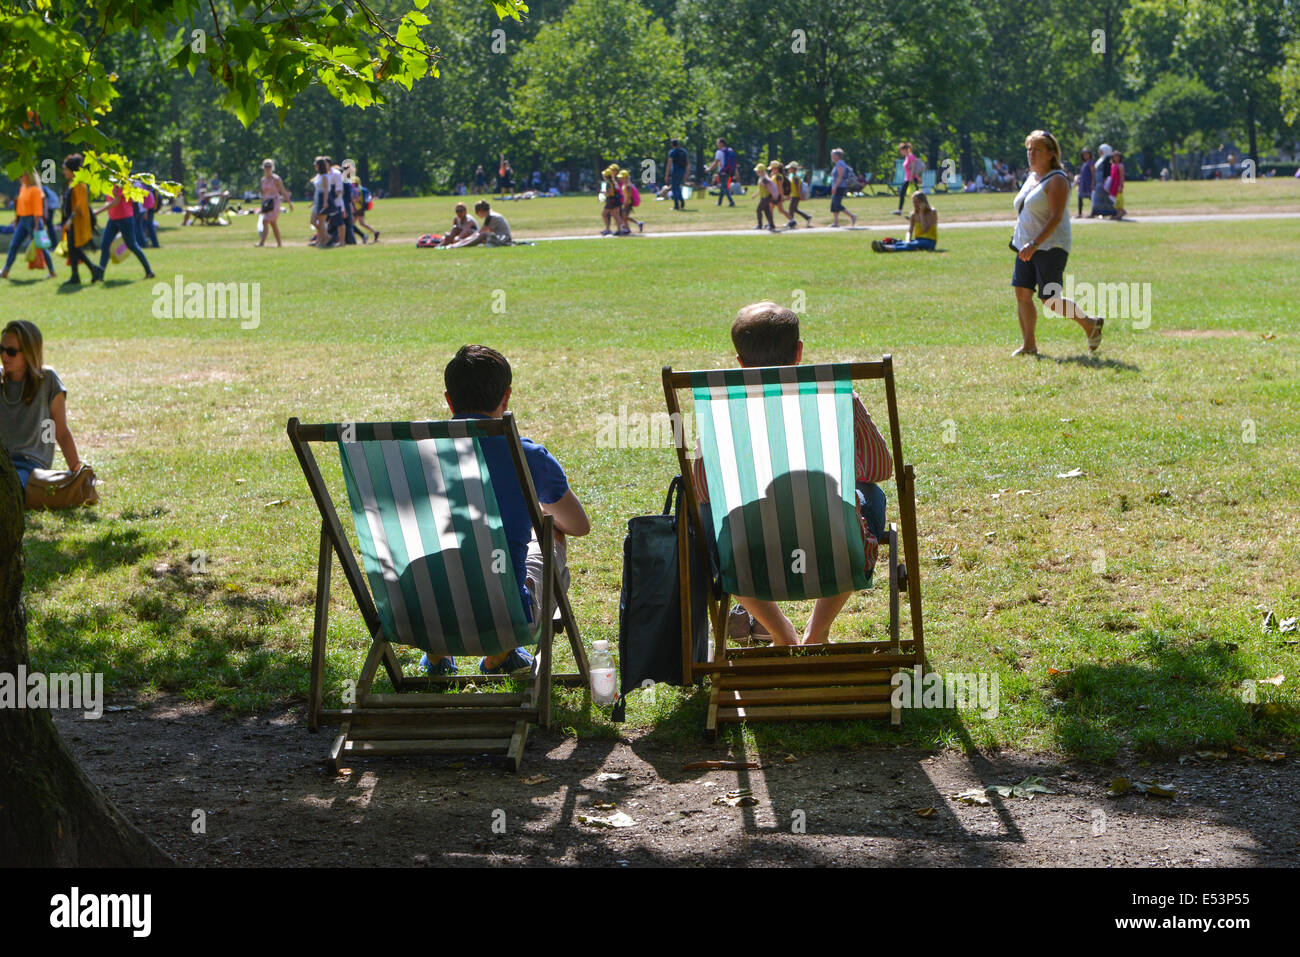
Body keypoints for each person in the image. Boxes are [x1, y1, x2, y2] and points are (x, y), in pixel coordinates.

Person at [689, 302, 893, 646]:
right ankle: (817, 632)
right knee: (870, 494)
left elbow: (704, 489)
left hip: (747, 555)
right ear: (799, 352)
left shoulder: (724, 410)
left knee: (707, 513)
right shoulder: (836, 398)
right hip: (835, 545)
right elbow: (881, 468)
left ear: (739, 362)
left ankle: (781, 632)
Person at [423, 345, 590, 676]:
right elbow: (577, 525)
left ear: (449, 400)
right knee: (550, 529)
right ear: (506, 396)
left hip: (420, 614)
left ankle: (438, 654)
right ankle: (501, 651)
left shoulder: (414, 454)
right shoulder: (526, 455)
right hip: (506, 618)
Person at [1010, 130, 1103, 357]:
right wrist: (1026, 241)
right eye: (1029, 150)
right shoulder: (1031, 178)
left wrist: (1034, 243)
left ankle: (1091, 324)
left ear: (1051, 154)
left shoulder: (1058, 180)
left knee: (1050, 300)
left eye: (1037, 150)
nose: (1031, 154)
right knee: (1022, 294)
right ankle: (1029, 345)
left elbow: (1055, 217)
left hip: (1050, 246)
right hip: (1025, 245)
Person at [1, 320, 83, 494]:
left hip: (30, 465)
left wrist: (79, 475)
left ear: (29, 353)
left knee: (9, 491)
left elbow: (60, 431)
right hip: (3, 463)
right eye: (1, 350)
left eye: (11, 352)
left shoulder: (47, 380)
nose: (4, 356)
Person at [1, 171, 56, 280]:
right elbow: (20, 206)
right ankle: (5, 271)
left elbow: (37, 209)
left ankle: (52, 272)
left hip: (33, 221)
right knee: (14, 245)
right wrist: (17, 220)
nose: (20, 178)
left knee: (42, 247)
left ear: (29, 176)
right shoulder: (23, 187)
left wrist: (36, 226)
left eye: (22, 176)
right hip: (23, 221)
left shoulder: (35, 190)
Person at [93, 181, 154, 279]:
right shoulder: (109, 182)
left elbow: (117, 201)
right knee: (105, 245)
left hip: (125, 218)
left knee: (132, 245)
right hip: (113, 218)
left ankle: (149, 271)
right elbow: (110, 200)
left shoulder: (120, 182)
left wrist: (98, 211)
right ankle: (100, 275)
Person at [58, 154, 102, 285]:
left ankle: (91, 270)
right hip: (72, 221)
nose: (64, 172)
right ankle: (83, 273)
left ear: (72, 170)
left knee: (74, 248)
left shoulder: (79, 184)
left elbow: (79, 205)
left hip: (77, 222)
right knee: (73, 249)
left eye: (65, 169)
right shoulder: (72, 183)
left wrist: (70, 220)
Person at [872, 192, 937, 252]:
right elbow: (909, 231)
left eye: (917, 202)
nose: (915, 205)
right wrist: (907, 240)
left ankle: (885, 248)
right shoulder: (913, 214)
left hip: (929, 241)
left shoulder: (932, 212)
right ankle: (882, 245)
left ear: (923, 202)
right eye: (913, 202)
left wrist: (921, 213)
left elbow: (925, 229)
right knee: (903, 243)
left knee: (911, 245)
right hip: (918, 240)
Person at [255, 158, 292, 248]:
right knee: (273, 224)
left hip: (275, 202)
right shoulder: (263, 180)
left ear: (272, 167)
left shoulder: (276, 179)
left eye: (269, 166)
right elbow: (264, 193)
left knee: (265, 221)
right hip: (267, 203)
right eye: (266, 166)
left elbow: (282, 191)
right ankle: (279, 243)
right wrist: (262, 205)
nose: (267, 168)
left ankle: (262, 243)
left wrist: (289, 203)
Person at [445, 200, 512, 247]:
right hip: (503, 238)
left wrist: (462, 242)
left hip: (504, 240)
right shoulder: (491, 215)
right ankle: (458, 245)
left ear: (480, 211)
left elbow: (479, 233)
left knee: (483, 234)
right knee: (482, 234)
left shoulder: (491, 217)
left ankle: (460, 246)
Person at [828, 147, 857, 227]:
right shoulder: (838, 164)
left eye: (833, 155)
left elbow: (840, 177)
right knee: (834, 204)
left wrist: (835, 187)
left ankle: (852, 216)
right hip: (837, 185)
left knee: (836, 204)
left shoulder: (840, 164)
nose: (832, 157)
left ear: (837, 156)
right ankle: (836, 222)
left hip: (840, 186)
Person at [707, 138, 737, 207]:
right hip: (729, 171)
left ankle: (731, 201)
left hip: (722, 171)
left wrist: (709, 169)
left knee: (724, 187)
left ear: (721, 143)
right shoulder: (730, 150)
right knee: (723, 186)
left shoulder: (719, 152)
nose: (717, 144)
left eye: (718, 143)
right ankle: (719, 202)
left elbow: (715, 163)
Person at [350, 170, 379, 242]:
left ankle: (374, 232)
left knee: (358, 224)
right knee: (353, 224)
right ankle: (374, 232)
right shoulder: (362, 189)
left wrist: (352, 200)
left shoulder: (356, 190)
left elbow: (357, 199)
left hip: (357, 208)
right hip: (359, 208)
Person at [894, 142, 922, 215]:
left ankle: (920, 209)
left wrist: (911, 177)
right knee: (903, 193)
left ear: (905, 149)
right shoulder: (907, 157)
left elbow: (913, 167)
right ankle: (900, 210)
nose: (900, 152)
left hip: (912, 179)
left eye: (901, 150)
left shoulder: (911, 156)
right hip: (907, 178)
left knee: (917, 196)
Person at [1089, 144, 1117, 218]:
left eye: (1101, 150)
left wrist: (1105, 181)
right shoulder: (1101, 159)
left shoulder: (1107, 159)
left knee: (1104, 199)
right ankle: (1098, 213)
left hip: (1103, 182)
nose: (1099, 152)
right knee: (1098, 199)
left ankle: (1110, 212)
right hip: (1098, 182)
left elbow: (1107, 171)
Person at [783, 161, 812, 227]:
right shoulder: (793, 177)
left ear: (793, 169)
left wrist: (800, 196)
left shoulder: (795, 178)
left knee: (791, 209)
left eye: (790, 168)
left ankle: (791, 223)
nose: (789, 170)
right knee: (794, 209)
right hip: (793, 195)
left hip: (795, 196)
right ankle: (807, 217)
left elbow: (798, 188)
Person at [667, 138, 690, 210]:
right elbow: (688, 164)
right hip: (682, 172)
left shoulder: (672, 152)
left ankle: (676, 205)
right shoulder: (684, 151)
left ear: (672, 145)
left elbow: (669, 164)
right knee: (678, 187)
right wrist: (687, 174)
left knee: (674, 188)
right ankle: (682, 200)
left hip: (675, 172)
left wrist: (666, 175)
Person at [753, 163, 777, 230]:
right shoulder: (762, 178)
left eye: (758, 170)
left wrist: (773, 195)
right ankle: (771, 225)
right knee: (767, 211)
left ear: (761, 171)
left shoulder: (764, 178)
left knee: (758, 210)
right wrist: (755, 195)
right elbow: (761, 188)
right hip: (764, 197)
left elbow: (769, 188)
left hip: (765, 197)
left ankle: (760, 225)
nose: (757, 172)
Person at [599, 166, 622, 235]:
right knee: (615, 215)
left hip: (610, 200)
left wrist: (603, 193)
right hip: (615, 199)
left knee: (604, 214)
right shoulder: (613, 181)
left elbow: (609, 192)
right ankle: (619, 229)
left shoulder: (607, 183)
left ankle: (608, 229)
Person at [1108, 148, 1127, 220]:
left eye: (1117, 156)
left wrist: (1121, 185)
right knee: (1112, 198)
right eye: (1114, 156)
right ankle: (1121, 211)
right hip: (1113, 184)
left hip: (1117, 184)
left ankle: (1120, 213)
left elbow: (1122, 176)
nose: (1116, 158)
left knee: (1116, 199)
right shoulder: (1113, 165)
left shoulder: (1120, 165)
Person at [1075, 148, 1093, 218]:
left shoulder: (1091, 162)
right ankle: (1080, 213)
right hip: (1082, 183)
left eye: (1087, 154)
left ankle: (1093, 212)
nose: (1085, 156)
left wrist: (1093, 183)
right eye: (1084, 154)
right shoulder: (1084, 163)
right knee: (1080, 197)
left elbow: (1093, 173)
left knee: (1091, 198)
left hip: (1088, 183)